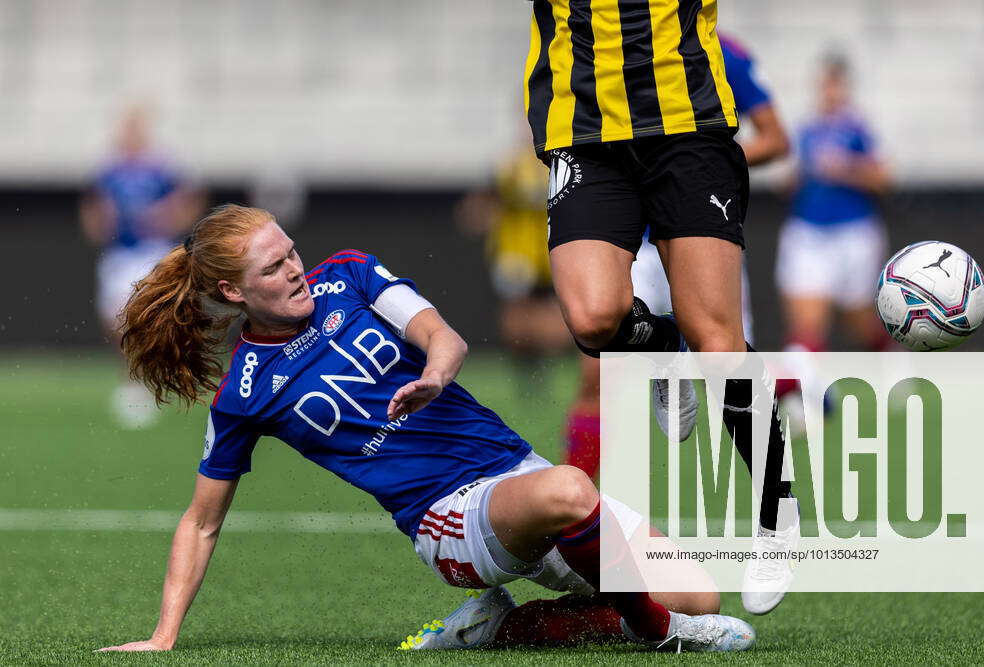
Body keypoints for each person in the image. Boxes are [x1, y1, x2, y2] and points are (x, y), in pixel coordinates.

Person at [97, 205, 755, 653]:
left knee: (701, 591)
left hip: (515, 473)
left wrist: (436, 375)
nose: (295, 269)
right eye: (272, 269)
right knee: (572, 490)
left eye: (290, 253)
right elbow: (201, 521)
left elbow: (442, 334)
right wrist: (163, 634)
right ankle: (656, 631)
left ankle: (507, 628)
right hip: (448, 520)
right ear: (233, 291)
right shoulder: (244, 390)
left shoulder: (347, 275)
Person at [569, 31, 792, 479]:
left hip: (698, 229)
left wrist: (704, 175)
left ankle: (779, 507)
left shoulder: (718, 50)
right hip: (632, 241)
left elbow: (775, 138)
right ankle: (580, 517)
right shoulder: (594, 40)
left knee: (726, 364)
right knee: (596, 371)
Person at [79, 106, 204, 428]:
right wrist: (98, 224)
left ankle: (149, 380)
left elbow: (190, 200)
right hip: (120, 253)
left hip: (153, 252)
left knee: (151, 317)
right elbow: (93, 208)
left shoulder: (161, 166)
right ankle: (133, 375)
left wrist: (166, 217)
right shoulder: (109, 169)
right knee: (115, 319)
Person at [777, 54, 892, 353]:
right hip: (809, 231)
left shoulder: (858, 129)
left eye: (835, 85)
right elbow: (792, 180)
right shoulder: (806, 130)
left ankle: (894, 365)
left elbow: (882, 178)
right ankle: (806, 391)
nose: (829, 92)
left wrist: (847, 169)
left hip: (853, 232)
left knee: (863, 324)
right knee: (806, 326)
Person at [454, 144, 572, 373]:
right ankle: (526, 365)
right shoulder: (510, 167)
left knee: (554, 322)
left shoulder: (564, 164)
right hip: (516, 254)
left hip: (551, 252)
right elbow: (481, 204)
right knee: (516, 321)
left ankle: (545, 364)